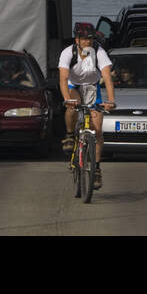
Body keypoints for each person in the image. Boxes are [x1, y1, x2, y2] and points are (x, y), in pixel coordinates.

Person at [59, 22, 116, 190]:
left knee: (97, 131)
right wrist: (66, 98)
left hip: (92, 87)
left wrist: (111, 101)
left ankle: (96, 169)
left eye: (90, 38)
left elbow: (107, 78)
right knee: (72, 105)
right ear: (77, 39)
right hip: (74, 86)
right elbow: (63, 79)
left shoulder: (99, 52)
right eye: (84, 39)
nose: (87, 42)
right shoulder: (68, 52)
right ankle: (70, 135)